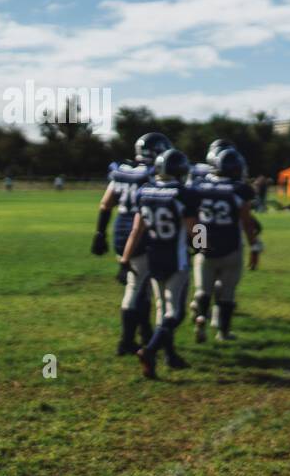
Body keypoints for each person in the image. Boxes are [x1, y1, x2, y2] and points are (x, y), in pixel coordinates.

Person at [121, 148, 198, 378]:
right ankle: (151, 350)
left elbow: (137, 229)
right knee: (175, 313)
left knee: (162, 308)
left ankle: (170, 354)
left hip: (154, 256)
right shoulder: (184, 194)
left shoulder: (145, 191)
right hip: (177, 258)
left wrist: (125, 258)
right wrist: (202, 246)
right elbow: (195, 228)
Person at [92, 132, 170, 355]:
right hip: (140, 233)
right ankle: (126, 341)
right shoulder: (153, 174)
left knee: (140, 285)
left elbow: (106, 204)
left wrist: (99, 232)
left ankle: (144, 333)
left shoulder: (122, 171)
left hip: (119, 232)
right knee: (136, 286)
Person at [188, 148, 262, 342]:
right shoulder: (238, 190)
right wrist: (254, 247)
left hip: (205, 245)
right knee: (227, 293)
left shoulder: (199, 186)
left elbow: (194, 218)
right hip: (231, 246)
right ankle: (223, 332)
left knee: (203, 290)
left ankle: (202, 317)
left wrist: (198, 244)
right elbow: (247, 222)